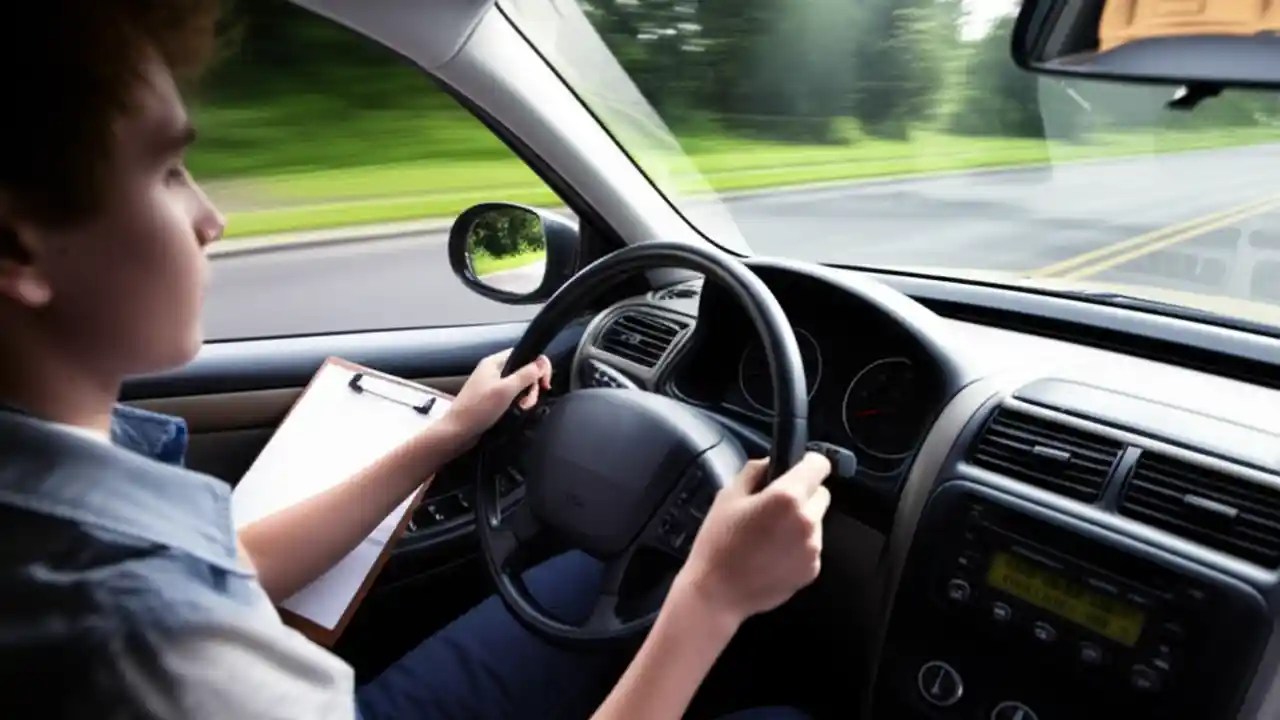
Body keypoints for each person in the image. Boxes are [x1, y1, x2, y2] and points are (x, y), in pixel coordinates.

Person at [0, 2, 834, 719]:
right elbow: (186, 596)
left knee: (588, 579)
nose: (211, 217)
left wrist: (443, 438)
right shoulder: (148, 637)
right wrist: (715, 595)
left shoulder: (61, 505)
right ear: (18, 246)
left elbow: (234, 565)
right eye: (168, 170)